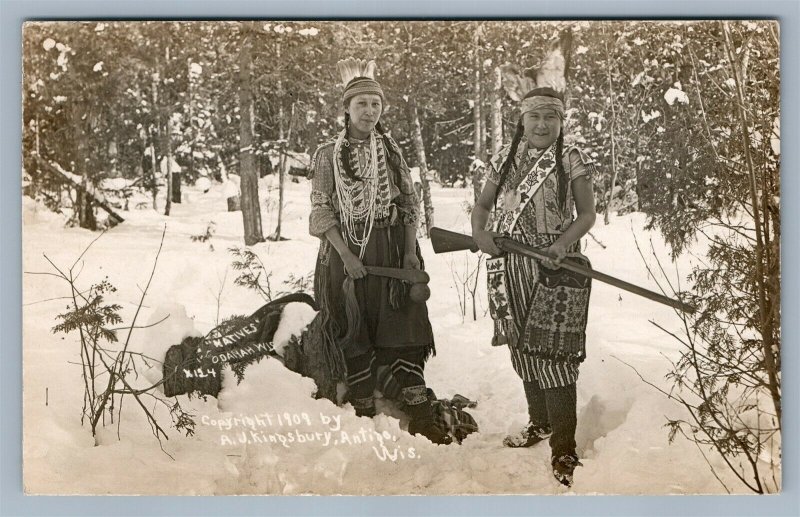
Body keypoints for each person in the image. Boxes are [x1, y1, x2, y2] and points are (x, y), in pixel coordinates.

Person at [309, 58, 451, 445]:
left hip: (390, 250)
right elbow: (321, 211)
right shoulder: (327, 155)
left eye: (375, 104)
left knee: (400, 319)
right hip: (345, 252)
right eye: (361, 105)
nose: (369, 112)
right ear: (346, 109)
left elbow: (409, 204)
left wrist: (408, 255)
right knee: (353, 323)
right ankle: (362, 402)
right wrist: (347, 256)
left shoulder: (391, 150)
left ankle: (414, 401)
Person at [470, 86, 597, 486]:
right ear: (521, 120)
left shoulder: (569, 158)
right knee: (523, 346)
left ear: (561, 122)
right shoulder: (504, 161)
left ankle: (564, 447)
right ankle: (539, 422)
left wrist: (560, 245)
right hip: (511, 268)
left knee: (555, 354)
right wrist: (479, 233)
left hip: (557, 271)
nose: (542, 125)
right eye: (534, 117)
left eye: (550, 117)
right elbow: (484, 205)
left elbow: (588, 213)